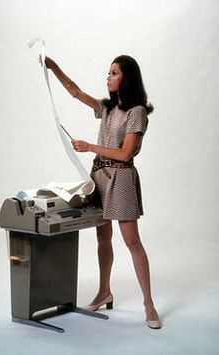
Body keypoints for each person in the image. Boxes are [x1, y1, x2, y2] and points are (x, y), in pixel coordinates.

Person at [40, 54, 161, 329]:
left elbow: (126, 153)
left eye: (114, 73)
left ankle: (149, 305)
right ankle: (104, 291)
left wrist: (90, 147)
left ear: (126, 78)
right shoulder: (106, 108)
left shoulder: (137, 111)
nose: (108, 77)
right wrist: (54, 66)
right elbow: (74, 92)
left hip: (121, 177)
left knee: (132, 242)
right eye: (108, 72)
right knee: (102, 236)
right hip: (100, 178)